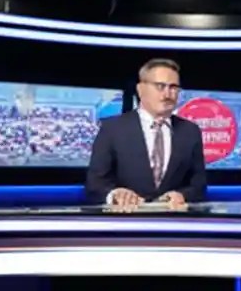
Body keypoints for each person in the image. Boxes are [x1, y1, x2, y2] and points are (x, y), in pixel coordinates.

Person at [85, 58, 207, 207]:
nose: (168, 94)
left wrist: (182, 195)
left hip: (173, 222)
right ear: (141, 89)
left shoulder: (190, 131)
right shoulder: (112, 128)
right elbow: (94, 185)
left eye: (173, 87)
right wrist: (115, 194)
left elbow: (199, 186)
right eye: (160, 86)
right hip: (126, 222)